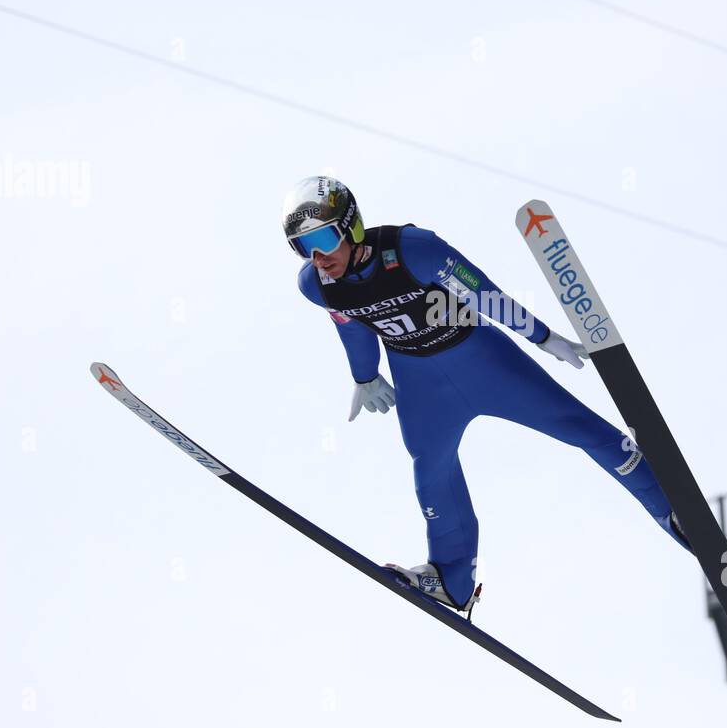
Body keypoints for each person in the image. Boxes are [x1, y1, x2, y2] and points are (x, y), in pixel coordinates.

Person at [286, 176, 690, 614]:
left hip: (483, 361)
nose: (318, 257)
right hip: (421, 386)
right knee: (431, 472)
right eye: (303, 247)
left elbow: (482, 292)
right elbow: (352, 325)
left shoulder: (412, 249)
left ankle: (672, 511)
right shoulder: (316, 285)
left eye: (323, 240)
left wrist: (541, 336)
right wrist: (365, 376)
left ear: (352, 226)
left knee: (579, 427)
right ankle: (450, 579)